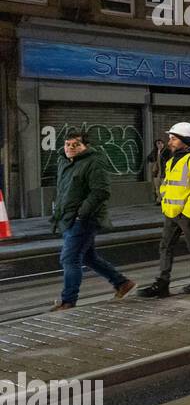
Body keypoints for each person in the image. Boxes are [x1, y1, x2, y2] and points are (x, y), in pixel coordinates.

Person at [48, 131, 135, 310]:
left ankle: (68, 301)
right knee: (88, 256)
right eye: (67, 144)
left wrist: (82, 213)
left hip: (84, 219)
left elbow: (101, 191)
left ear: (85, 146)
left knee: (69, 259)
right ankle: (122, 283)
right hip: (68, 218)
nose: (70, 148)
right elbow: (64, 191)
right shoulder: (64, 162)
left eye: (75, 144)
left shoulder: (94, 162)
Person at [137, 122, 190, 297]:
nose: (169, 142)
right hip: (171, 213)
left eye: (173, 138)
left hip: (187, 215)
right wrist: (165, 203)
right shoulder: (172, 161)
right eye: (170, 138)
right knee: (165, 247)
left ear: (186, 140)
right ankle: (163, 283)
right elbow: (166, 186)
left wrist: (187, 212)